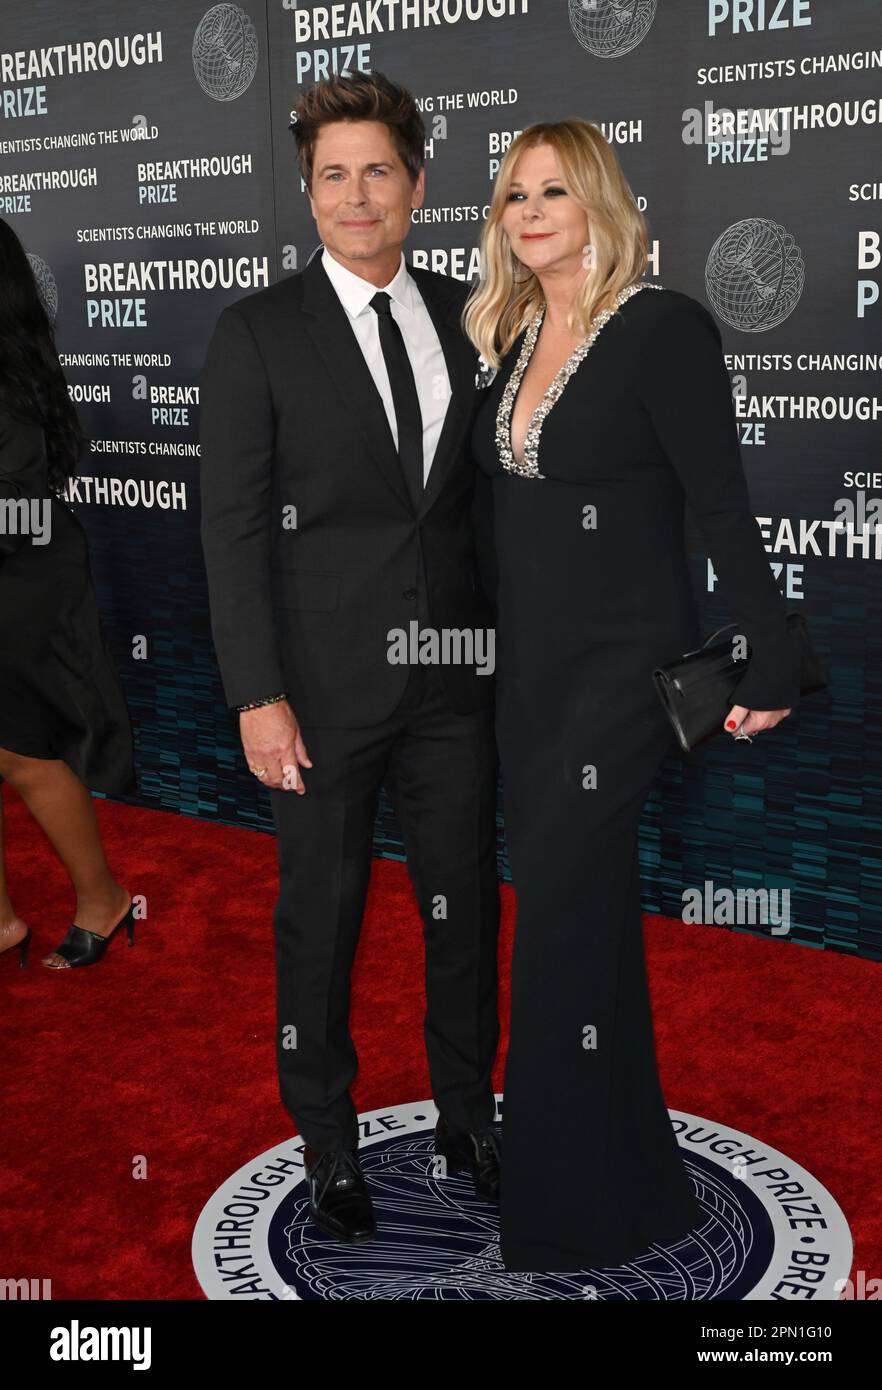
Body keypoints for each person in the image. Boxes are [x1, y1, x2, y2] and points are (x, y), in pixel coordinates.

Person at [465, 120, 801, 1271]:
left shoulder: (662, 329)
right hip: (530, 681)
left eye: (554, 190)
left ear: (601, 200)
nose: (530, 212)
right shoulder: (510, 337)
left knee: (558, 931)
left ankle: (565, 1213)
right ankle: (636, 1183)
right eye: (514, 196)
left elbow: (721, 503)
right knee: (585, 928)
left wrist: (769, 657)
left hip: (617, 684)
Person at [199, 71, 501, 1244]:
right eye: (334, 174)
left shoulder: (473, 311)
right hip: (317, 695)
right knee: (319, 918)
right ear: (308, 192)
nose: (357, 195)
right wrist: (256, 695)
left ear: (419, 184)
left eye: (379, 170)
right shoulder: (259, 332)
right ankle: (327, 1139)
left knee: (462, 905)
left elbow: (482, 505)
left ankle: (469, 1114)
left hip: (455, 683)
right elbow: (229, 530)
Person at [0, 218, 136, 971]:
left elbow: (18, 509)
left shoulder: (10, 371)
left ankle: (104, 899)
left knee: (23, 753)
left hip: (18, 585)